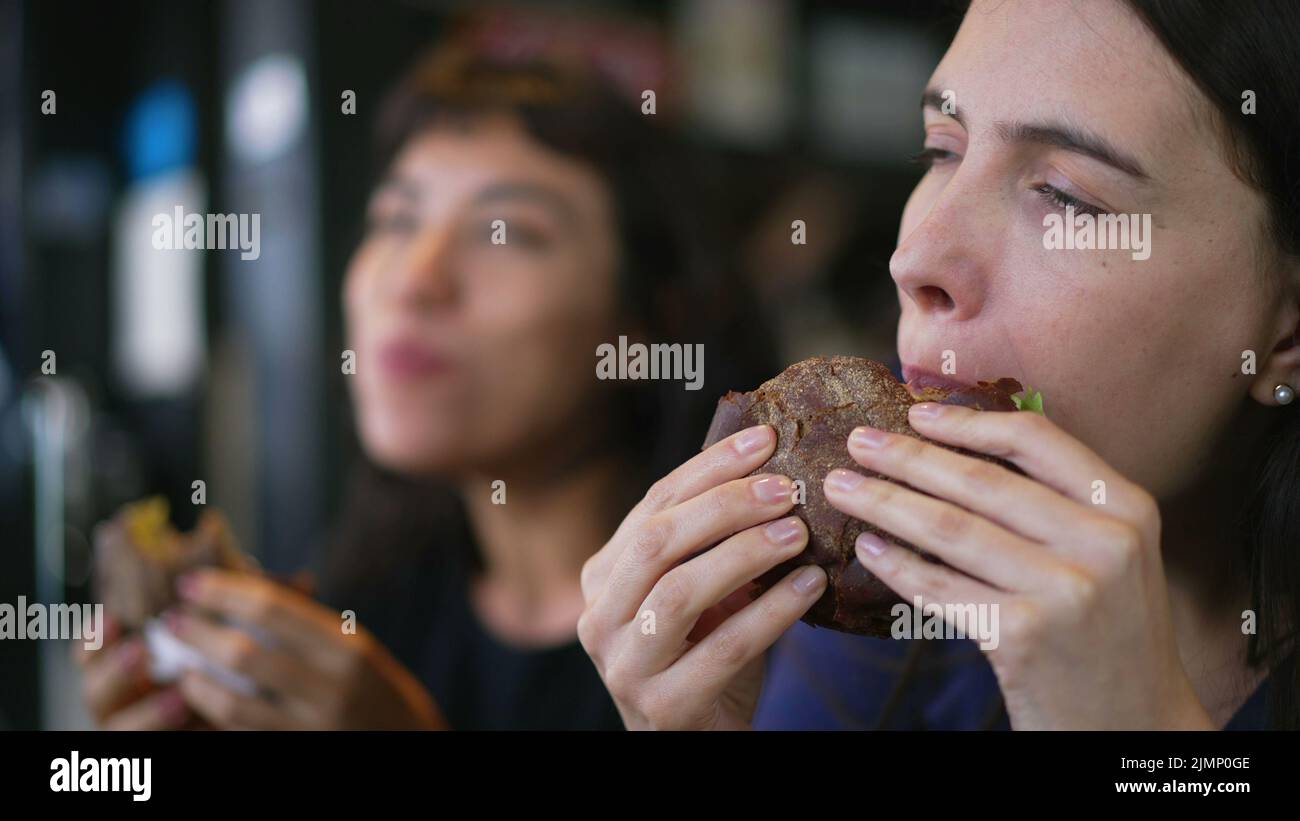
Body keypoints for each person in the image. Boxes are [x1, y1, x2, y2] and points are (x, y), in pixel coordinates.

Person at [576, 0, 1300, 730]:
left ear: (1287, 335)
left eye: (1065, 195)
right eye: (941, 150)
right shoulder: (870, 636)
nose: (912, 257)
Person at [76, 38, 774, 730]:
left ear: (647, 318)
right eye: (397, 219)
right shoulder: (360, 613)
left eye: (504, 232)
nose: (414, 278)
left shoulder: (746, 649)